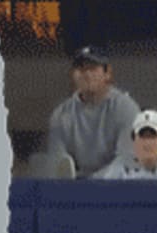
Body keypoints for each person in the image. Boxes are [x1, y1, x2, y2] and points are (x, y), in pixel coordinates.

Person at [45, 45, 141, 178]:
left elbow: (126, 161)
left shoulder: (126, 108)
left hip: (116, 187)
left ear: (107, 73)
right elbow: (59, 164)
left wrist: (92, 183)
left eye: (93, 68)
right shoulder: (60, 115)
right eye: (81, 68)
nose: (87, 74)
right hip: (74, 189)